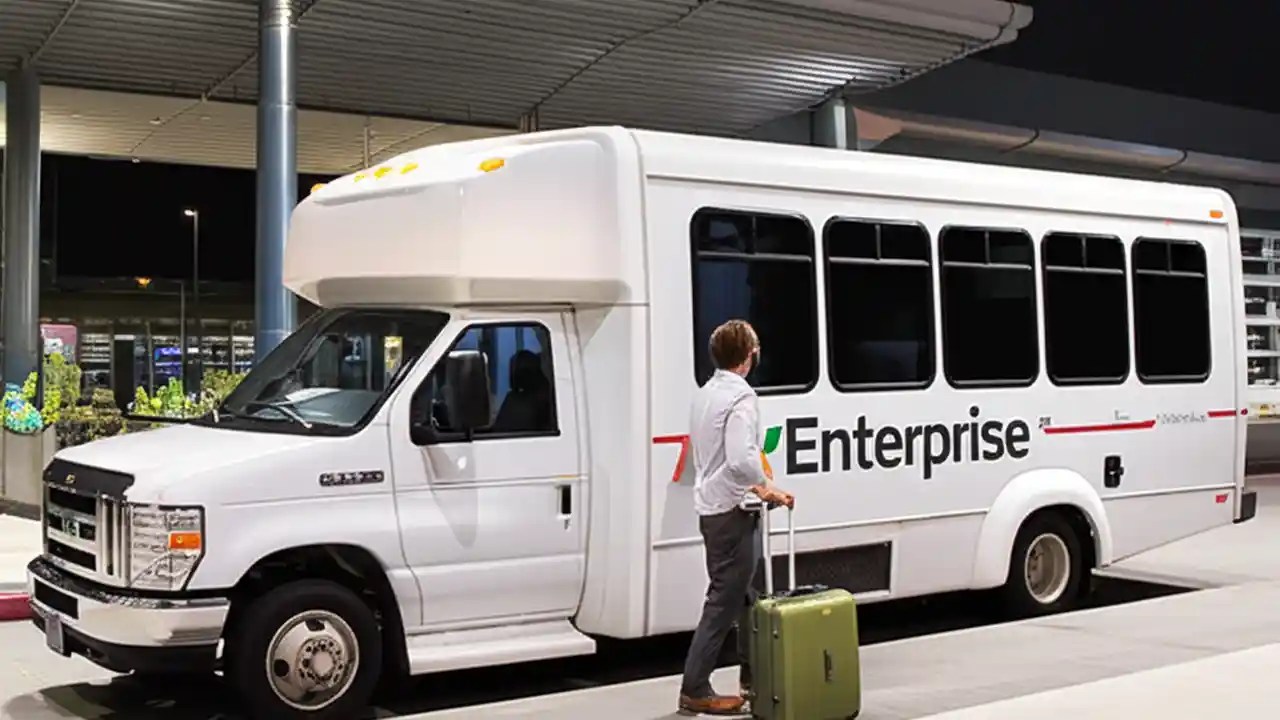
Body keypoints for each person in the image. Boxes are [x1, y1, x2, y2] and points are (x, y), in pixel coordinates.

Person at [678, 319, 795, 716]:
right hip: (730, 511)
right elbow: (742, 458)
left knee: (745, 596)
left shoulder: (705, 393)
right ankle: (695, 688)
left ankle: (753, 676)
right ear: (748, 356)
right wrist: (766, 486)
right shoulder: (741, 398)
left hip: (711, 509)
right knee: (724, 601)